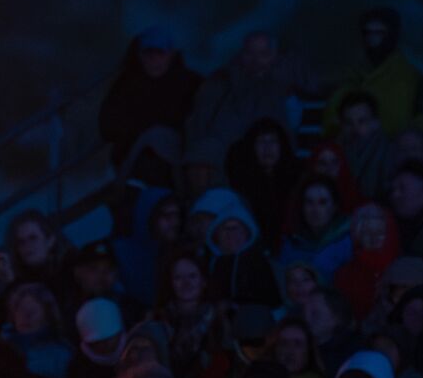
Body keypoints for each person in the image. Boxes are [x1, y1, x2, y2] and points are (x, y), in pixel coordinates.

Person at [187, 32, 311, 163]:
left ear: (274, 56)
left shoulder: (284, 86)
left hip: (269, 162)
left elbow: (289, 126)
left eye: (263, 54)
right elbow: (203, 125)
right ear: (241, 54)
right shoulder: (222, 83)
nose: (255, 60)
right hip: (229, 158)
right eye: (250, 52)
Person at [99, 26, 203, 168]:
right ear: (140, 55)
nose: (154, 59)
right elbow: (107, 124)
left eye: (160, 53)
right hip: (133, 162)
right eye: (148, 53)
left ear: (171, 54)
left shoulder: (192, 84)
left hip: (178, 161)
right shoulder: (126, 84)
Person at [0, 209, 77, 332]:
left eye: (33, 238)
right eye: (21, 242)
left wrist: (12, 285)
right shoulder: (19, 277)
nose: (27, 246)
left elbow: (54, 313)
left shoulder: (69, 271)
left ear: (50, 240)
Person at [325, 6, 422, 138]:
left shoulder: (406, 75)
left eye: (379, 33)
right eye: (368, 32)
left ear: (390, 35)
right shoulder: (354, 73)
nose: (372, 38)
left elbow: (397, 121)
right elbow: (333, 117)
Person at [193, 187, 280, 306]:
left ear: (247, 232)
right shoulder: (205, 263)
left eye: (235, 229)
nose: (230, 234)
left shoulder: (259, 263)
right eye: (225, 229)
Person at [221, 116, 306, 233]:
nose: (267, 148)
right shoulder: (242, 185)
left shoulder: (296, 182)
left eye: (273, 141)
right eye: (261, 141)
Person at [276, 178, 353, 287]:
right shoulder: (291, 243)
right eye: (309, 202)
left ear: (335, 206)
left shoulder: (349, 242)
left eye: (322, 202)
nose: (315, 209)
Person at [338, 203, 401, 323]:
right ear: (358, 236)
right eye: (367, 233)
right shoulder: (345, 275)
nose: (374, 238)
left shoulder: (403, 269)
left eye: (380, 233)